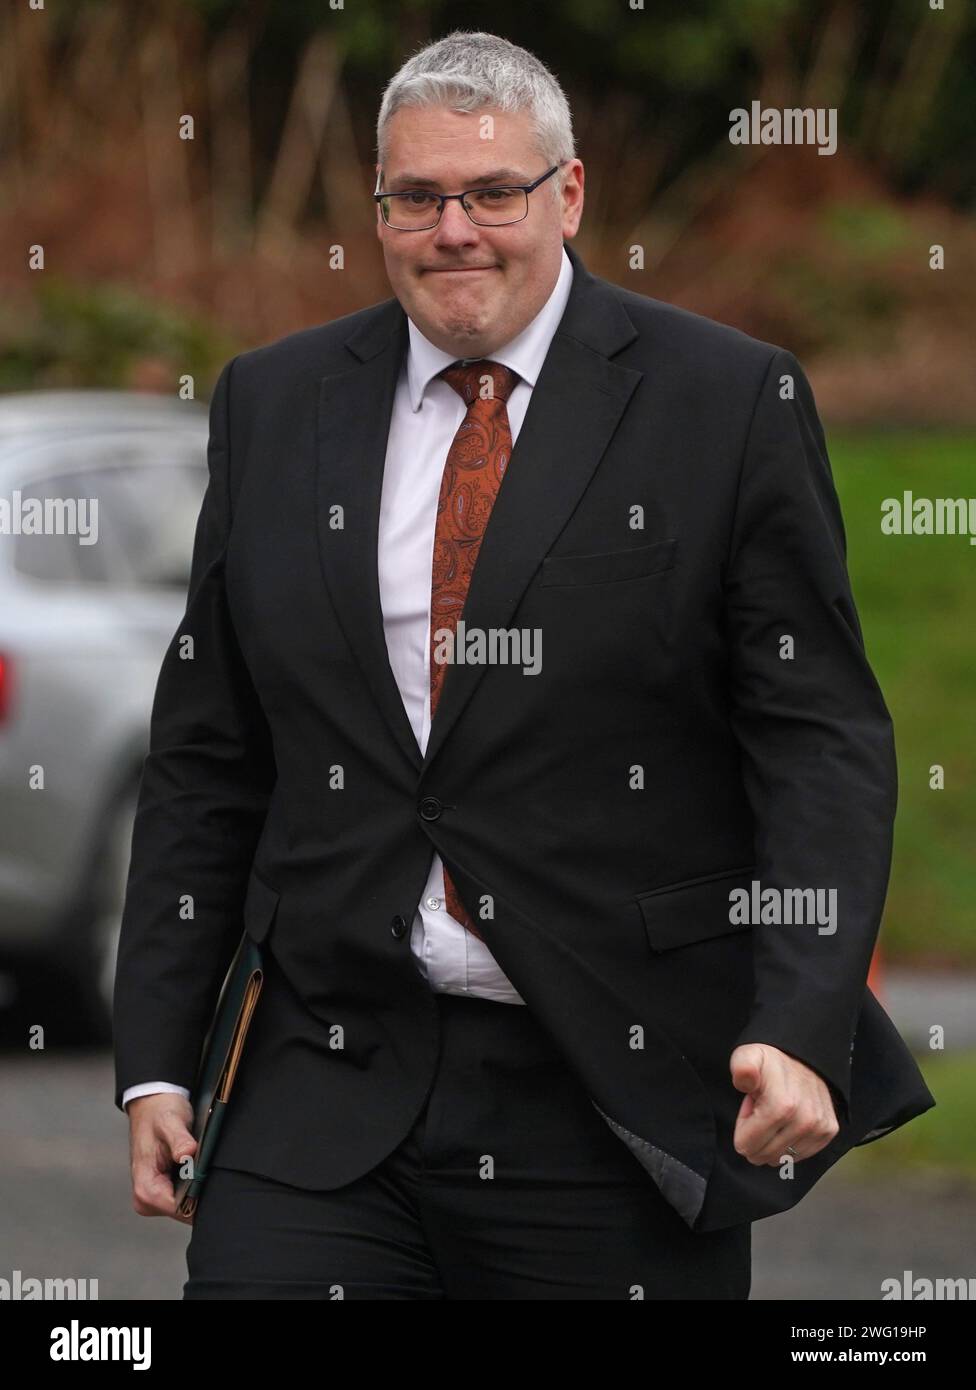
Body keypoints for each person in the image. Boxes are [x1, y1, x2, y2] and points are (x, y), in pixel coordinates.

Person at [114, 30, 935, 1300]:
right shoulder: (273, 404)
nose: (455, 229)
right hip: (324, 1086)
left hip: (612, 1086)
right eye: (416, 197)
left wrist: (797, 1025)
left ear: (569, 194)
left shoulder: (723, 401)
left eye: (493, 192)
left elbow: (816, 737)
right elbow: (209, 751)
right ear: (378, 207)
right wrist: (158, 1059)